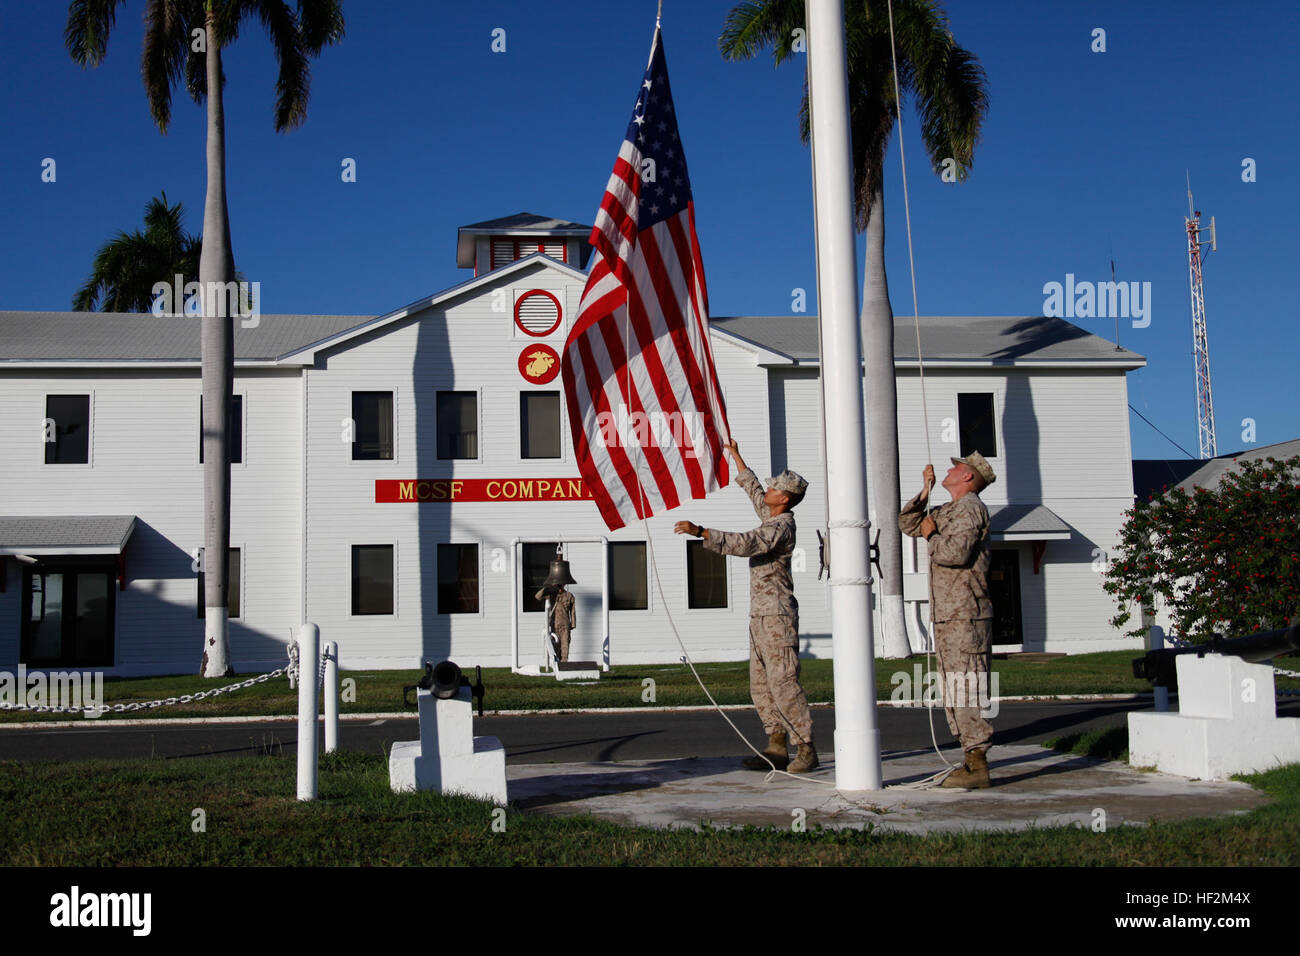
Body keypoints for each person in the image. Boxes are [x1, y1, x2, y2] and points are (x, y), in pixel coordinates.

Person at [673, 440, 817, 772]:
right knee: (762, 684)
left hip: (778, 615)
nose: (768, 489)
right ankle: (776, 745)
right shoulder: (772, 514)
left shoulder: (781, 526)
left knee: (783, 682)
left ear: (783, 498)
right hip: (760, 615)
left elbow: (747, 543)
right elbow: (753, 489)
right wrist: (734, 454)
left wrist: (702, 532)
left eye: (774, 488)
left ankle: (806, 747)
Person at [899, 452, 997, 788]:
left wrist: (931, 537)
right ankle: (971, 759)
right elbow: (908, 524)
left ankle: (978, 762)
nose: (949, 469)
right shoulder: (950, 510)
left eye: (957, 467)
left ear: (969, 477)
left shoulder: (970, 509)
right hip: (950, 615)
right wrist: (924, 493)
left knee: (966, 685)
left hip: (965, 614)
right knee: (956, 687)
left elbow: (954, 553)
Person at [535, 583, 576, 663]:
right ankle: (556, 664)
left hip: (565, 624)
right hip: (554, 624)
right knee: (555, 645)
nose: (560, 586)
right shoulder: (551, 595)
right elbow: (537, 596)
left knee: (565, 645)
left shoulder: (569, 595)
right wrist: (547, 588)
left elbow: (573, 611)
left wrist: (573, 623)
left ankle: (564, 663)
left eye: (562, 584)